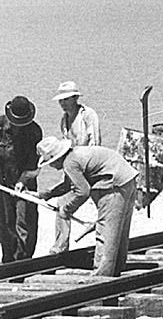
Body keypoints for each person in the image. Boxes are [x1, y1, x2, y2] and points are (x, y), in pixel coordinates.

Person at [36, 135, 138, 277]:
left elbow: (83, 191)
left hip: (113, 185)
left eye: (50, 162)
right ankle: (117, 267)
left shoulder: (69, 163)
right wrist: (46, 194)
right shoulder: (74, 156)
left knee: (106, 232)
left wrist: (67, 208)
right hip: (127, 180)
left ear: (57, 158)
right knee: (118, 231)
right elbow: (68, 185)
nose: (51, 166)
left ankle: (101, 275)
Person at [0, 96, 42, 262]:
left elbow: (34, 162)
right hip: (2, 182)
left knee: (25, 221)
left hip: (26, 182)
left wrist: (22, 181)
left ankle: (24, 260)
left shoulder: (34, 131)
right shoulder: (0, 126)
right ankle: (9, 259)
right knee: (5, 221)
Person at [54, 81, 100, 148]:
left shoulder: (88, 114)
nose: (62, 103)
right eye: (60, 100)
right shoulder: (64, 120)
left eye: (66, 99)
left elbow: (95, 142)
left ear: (76, 98)